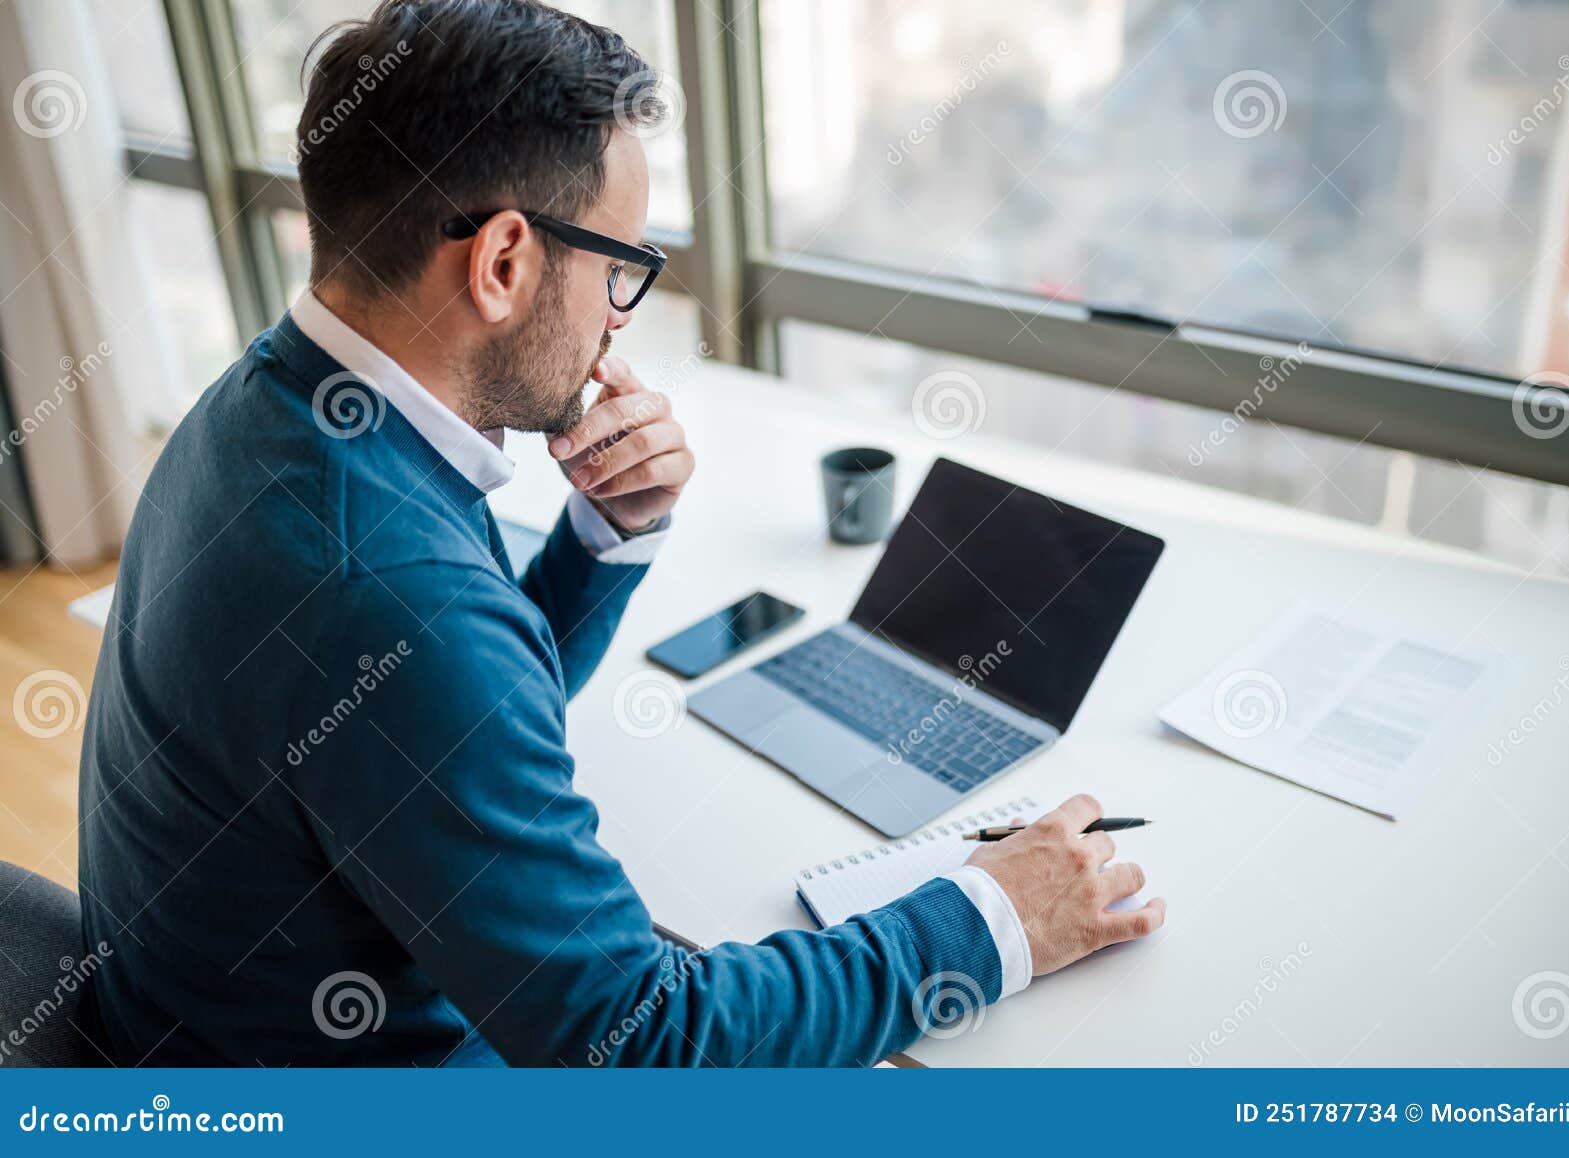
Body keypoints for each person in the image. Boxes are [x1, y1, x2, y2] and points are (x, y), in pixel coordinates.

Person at [79, 0, 1164, 1066]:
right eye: (620, 268)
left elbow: (427, 719)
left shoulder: (267, 404)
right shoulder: (390, 584)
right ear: (501, 262)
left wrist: (604, 533)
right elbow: (643, 1043)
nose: (620, 313)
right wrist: (991, 921)